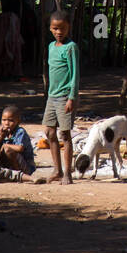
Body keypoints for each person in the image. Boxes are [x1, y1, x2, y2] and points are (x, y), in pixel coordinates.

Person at [44, 10, 79, 184]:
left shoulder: (71, 47)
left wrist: (72, 98)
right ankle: (57, 170)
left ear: (68, 28)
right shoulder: (51, 47)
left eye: (62, 29)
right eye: (55, 28)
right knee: (49, 132)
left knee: (65, 134)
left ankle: (67, 173)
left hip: (65, 96)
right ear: (50, 28)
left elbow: (75, 75)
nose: (59, 32)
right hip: (52, 96)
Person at [0, 105, 36, 175]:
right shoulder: (4, 132)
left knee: (7, 149)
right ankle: (8, 168)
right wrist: (1, 136)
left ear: (18, 121)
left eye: (10, 120)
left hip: (26, 165)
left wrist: (5, 145)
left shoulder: (20, 132)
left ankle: (17, 174)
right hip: (12, 162)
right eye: (4, 120)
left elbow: (20, 148)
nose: (6, 123)